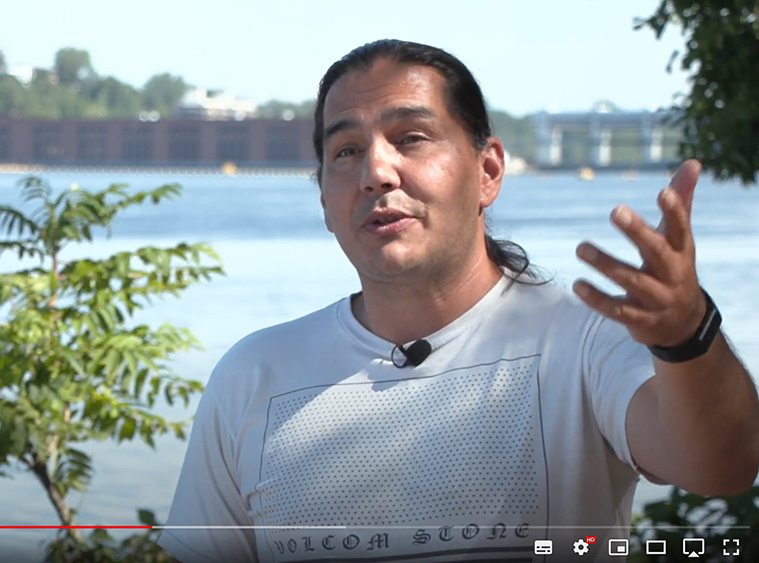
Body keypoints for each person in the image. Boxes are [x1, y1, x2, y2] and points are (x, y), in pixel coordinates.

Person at [157, 39, 759, 563]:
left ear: (489, 170)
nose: (376, 171)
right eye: (345, 152)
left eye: (411, 138)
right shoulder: (253, 375)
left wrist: (688, 335)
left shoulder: (581, 340)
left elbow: (720, 467)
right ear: (323, 198)